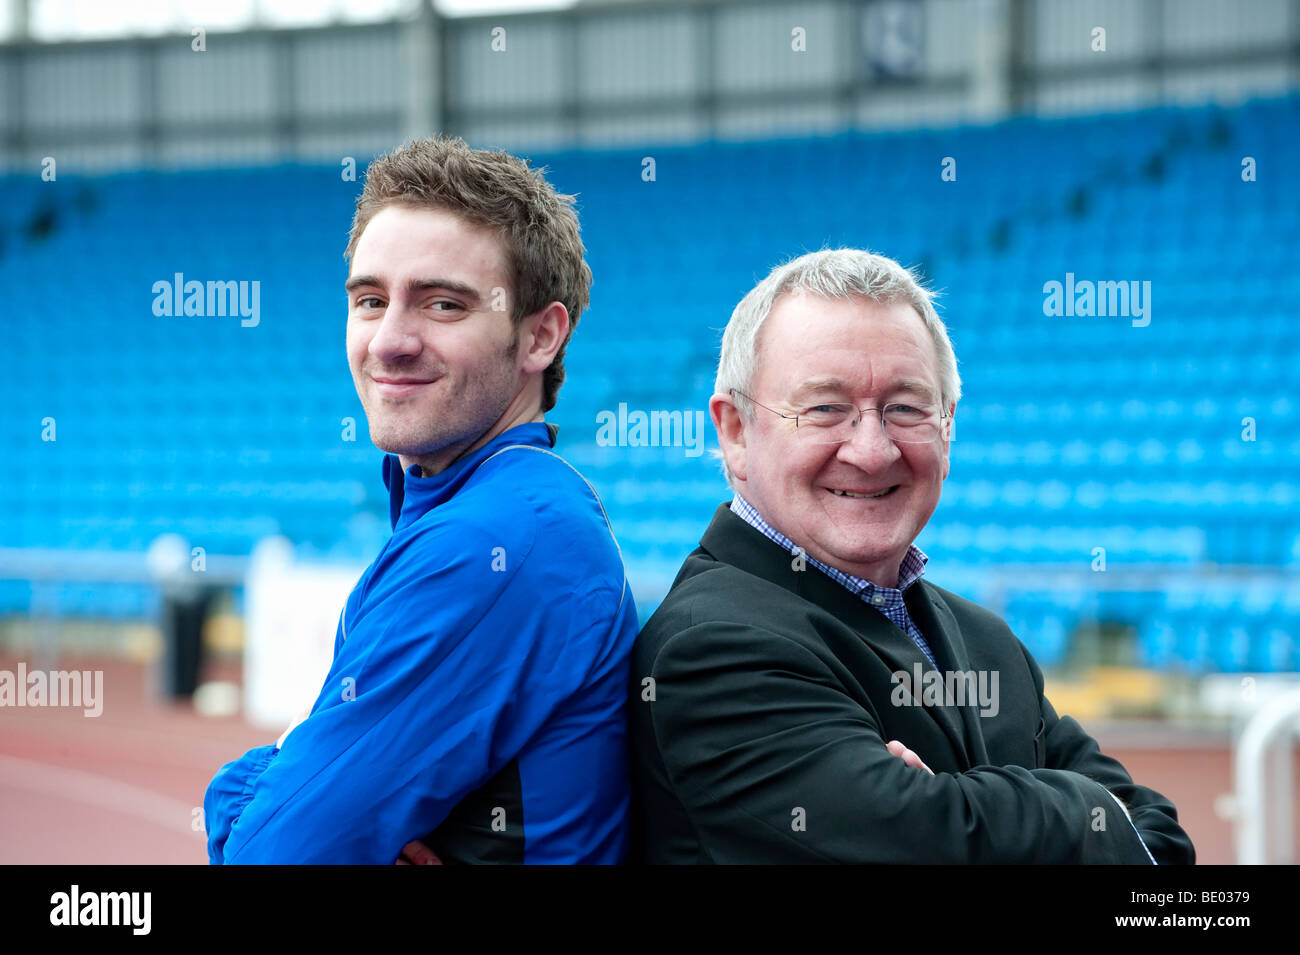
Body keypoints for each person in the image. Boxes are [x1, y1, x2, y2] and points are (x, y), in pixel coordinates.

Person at [628, 248, 1195, 864]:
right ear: (736, 431)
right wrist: (1090, 821)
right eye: (825, 409)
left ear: (947, 425)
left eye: (905, 408)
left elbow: (1162, 844)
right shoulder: (710, 648)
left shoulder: (987, 641)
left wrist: (952, 806)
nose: (871, 451)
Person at [205, 136, 637, 864]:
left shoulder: (496, 541)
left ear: (539, 335)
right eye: (370, 300)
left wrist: (246, 781)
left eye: (443, 303)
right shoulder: (481, 507)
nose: (391, 340)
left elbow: (268, 851)